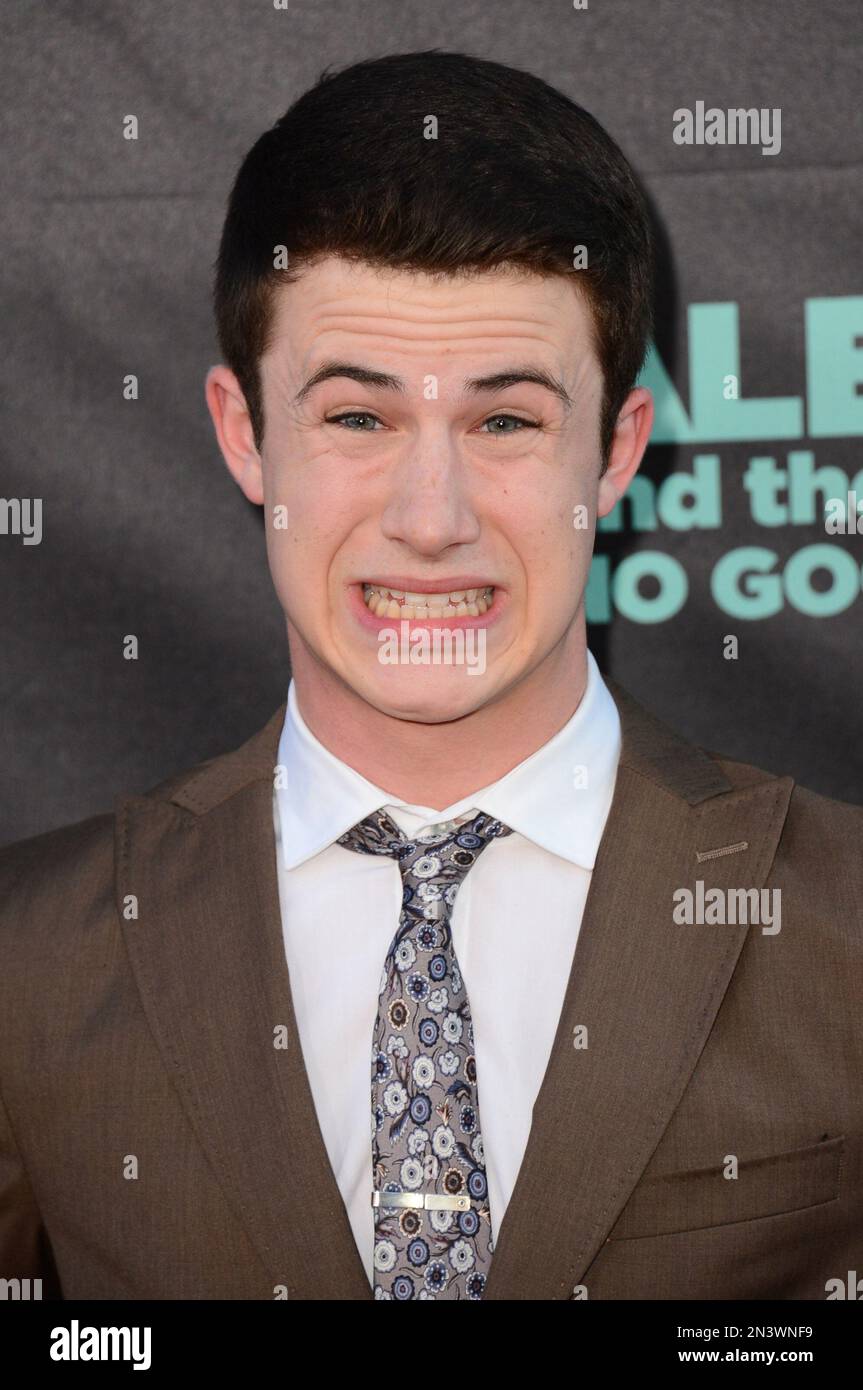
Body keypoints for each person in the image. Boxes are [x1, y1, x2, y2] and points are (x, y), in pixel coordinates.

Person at [1, 49, 860, 1303]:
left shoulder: (843, 930)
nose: (430, 516)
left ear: (616, 449)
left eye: (504, 421)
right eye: (356, 417)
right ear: (245, 433)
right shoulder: (29, 961)